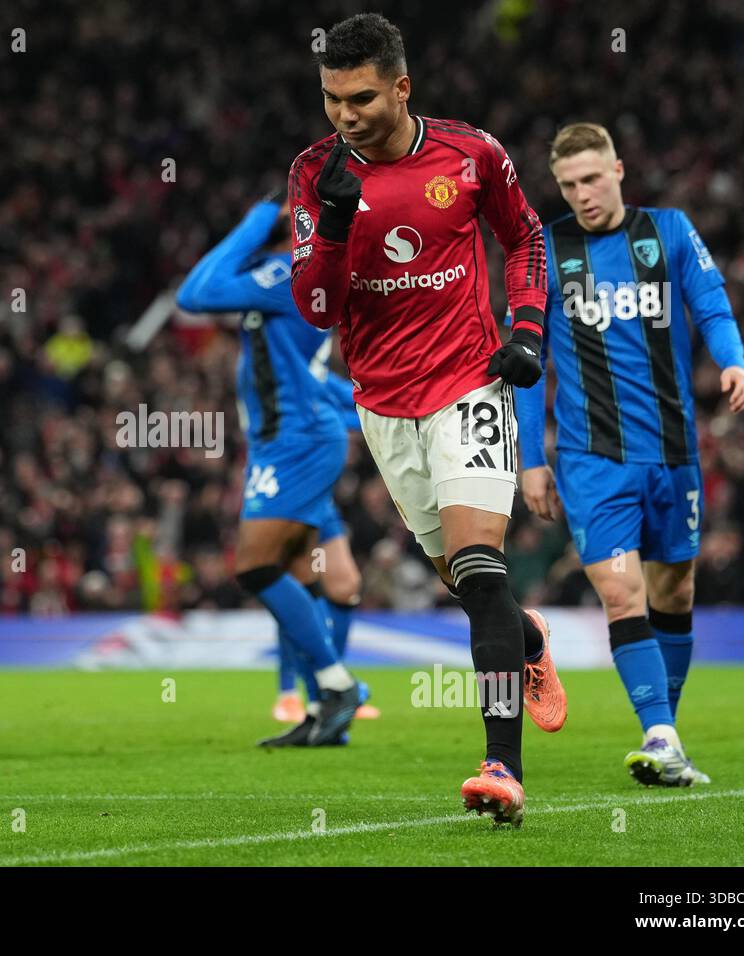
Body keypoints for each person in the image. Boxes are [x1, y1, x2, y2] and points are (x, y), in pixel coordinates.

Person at [287, 14, 567, 825]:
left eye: (362, 97)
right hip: (382, 403)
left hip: (470, 384)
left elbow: (527, 240)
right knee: (467, 585)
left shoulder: (471, 154)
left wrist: (524, 328)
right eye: (332, 99)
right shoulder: (314, 173)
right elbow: (313, 309)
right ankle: (532, 642)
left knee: (480, 566)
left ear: (402, 86)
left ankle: (500, 768)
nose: (344, 115)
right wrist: (333, 232)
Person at [517, 122, 744, 786]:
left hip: (674, 453)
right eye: (568, 185)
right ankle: (660, 733)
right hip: (594, 462)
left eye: (592, 178)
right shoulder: (547, 251)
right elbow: (526, 364)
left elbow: (711, 304)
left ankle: (665, 737)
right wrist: (531, 459)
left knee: (675, 591)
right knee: (623, 593)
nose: (582, 194)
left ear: (618, 170)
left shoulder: (670, 232)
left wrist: (732, 363)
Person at [177, 196, 378, 745]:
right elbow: (311, 374)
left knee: (255, 566)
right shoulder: (309, 281)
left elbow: (194, 294)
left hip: (293, 446)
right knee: (315, 578)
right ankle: (323, 714)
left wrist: (254, 221)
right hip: (291, 441)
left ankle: (335, 687)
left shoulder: (283, 273)